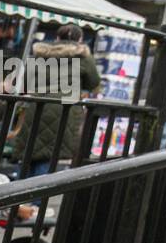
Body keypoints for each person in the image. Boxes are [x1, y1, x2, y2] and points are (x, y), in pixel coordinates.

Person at [6, 24, 102, 220]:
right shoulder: (82, 55)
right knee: (47, 154)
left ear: (56, 38)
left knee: (30, 151)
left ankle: (15, 200)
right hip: (64, 108)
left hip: (38, 105)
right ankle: (34, 205)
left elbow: (26, 80)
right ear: (80, 39)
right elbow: (94, 82)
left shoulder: (42, 53)